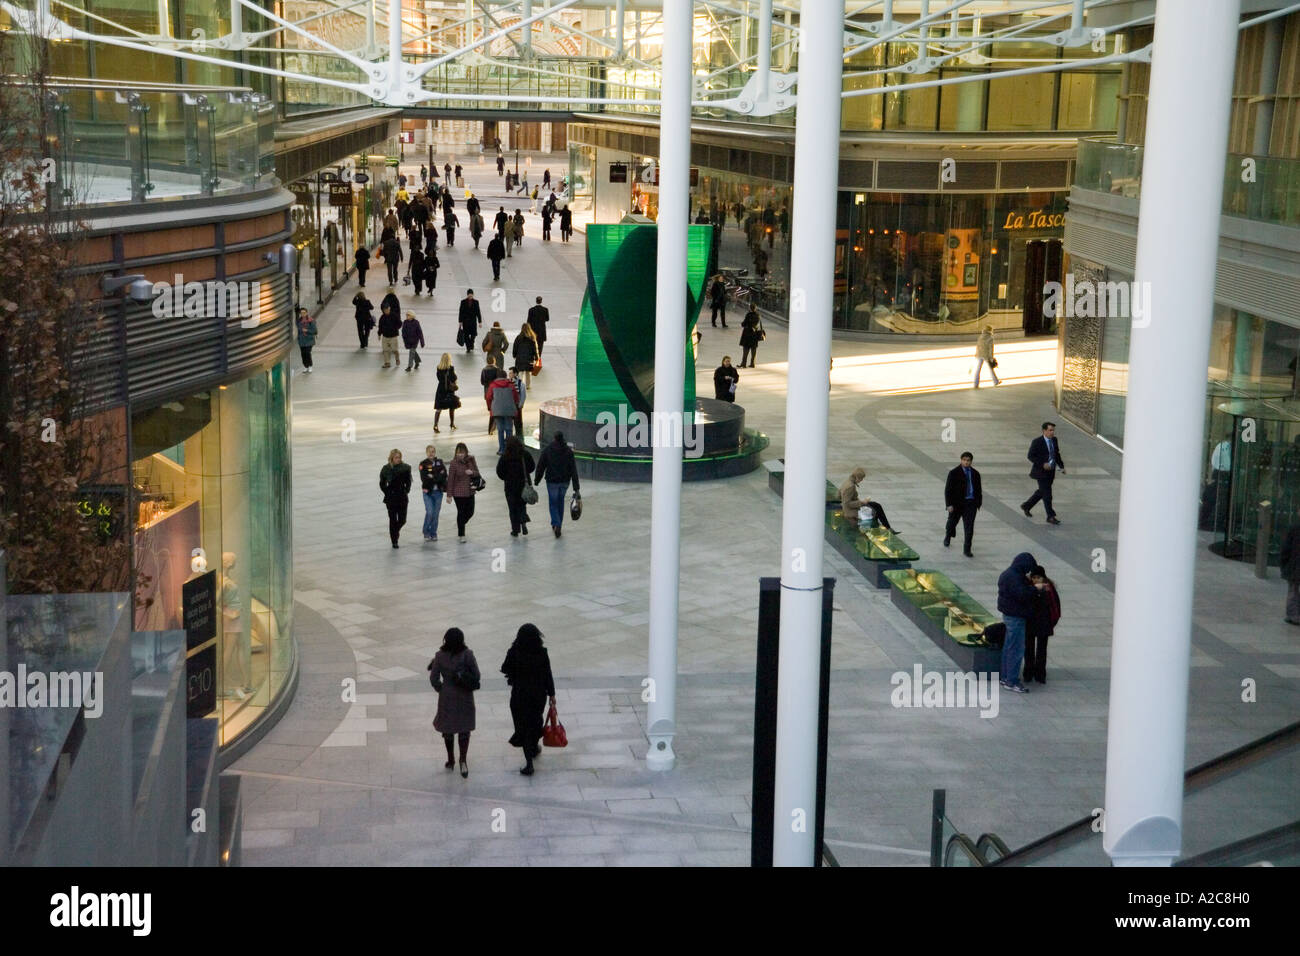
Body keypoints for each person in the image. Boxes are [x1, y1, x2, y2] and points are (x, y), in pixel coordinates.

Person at [501, 623, 556, 776]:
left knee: (523, 725)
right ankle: (534, 746)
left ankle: (529, 762)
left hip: (520, 694)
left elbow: (505, 668)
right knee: (535, 721)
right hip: (538, 695)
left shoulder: (514, 652)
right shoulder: (542, 652)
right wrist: (552, 694)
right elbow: (547, 675)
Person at [429, 627, 479, 778]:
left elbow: (433, 678)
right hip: (465, 696)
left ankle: (450, 759)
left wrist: (441, 689)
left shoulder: (439, 656)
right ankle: (463, 759)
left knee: (448, 729)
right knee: (464, 729)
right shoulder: (468, 655)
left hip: (447, 697)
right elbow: (476, 675)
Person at [997, 552, 1044, 693]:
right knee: (1016, 650)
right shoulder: (1015, 578)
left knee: (1008, 647)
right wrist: (1035, 589)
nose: (1029, 571)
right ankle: (1012, 681)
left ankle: (1005, 677)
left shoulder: (1008, 574)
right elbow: (1022, 594)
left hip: (1009, 615)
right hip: (1016, 616)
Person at [534, 431, 580, 538]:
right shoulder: (568, 451)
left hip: (552, 481)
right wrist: (576, 487)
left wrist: (537, 479)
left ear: (554, 438)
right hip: (564, 481)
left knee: (553, 503)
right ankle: (558, 523)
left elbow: (541, 465)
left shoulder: (548, 450)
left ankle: (556, 523)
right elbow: (573, 469)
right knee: (560, 502)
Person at [1022, 422, 1066, 525]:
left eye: (1053, 430)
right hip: (1041, 473)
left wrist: (1061, 467)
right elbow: (1030, 456)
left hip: (1051, 472)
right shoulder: (1037, 442)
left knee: (1042, 491)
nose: (1052, 432)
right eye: (1050, 430)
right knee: (1047, 494)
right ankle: (1050, 516)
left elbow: (1056, 454)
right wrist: (1043, 464)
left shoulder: (1054, 440)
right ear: (1044, 431)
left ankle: (1027, 505)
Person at [1023, 565, 1060, 684]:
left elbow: (1055, 608)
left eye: (1038, 577)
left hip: (1044, 623)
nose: (1036, 580)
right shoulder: (1028, 588)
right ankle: (1028, 673)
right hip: (1030, 623)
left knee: (1041, 650)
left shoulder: (1049, 590)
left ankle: (1040, 674)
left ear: (1043, 578)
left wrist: (1052, 622)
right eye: (1034, 577)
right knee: (1028, 649)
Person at [943, 452, 982, 557]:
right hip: (957, 503)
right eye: (964, 460)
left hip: (970, 504)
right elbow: (948, 490)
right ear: (961, 460)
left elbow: (978, 489)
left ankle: (967, 549)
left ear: (971, 461)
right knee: (952, 523)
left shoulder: (975, 474)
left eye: (968, 460)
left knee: (969, 527)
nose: (966, 462)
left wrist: (978, 503)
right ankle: (948, 536)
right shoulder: (954, 473)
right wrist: (949, 504)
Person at [496, 435, 536, 536]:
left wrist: (506, 478)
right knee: (522, 505)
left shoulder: (505, 457)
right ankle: (523, 522)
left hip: (510, 487)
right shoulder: (525, 454)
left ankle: (515, 530)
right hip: (523, 485)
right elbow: (532, 467)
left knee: (512, 508)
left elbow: (499, 472)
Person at [839, 466, 897, 533]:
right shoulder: (850, 487)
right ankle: (881, 530)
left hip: (852, 507)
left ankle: (887, 528)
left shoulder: (847, 482)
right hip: (851, 511)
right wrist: (862, 502)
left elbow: (838, 495)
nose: (861, 480)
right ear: (857, 477)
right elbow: (848, 504)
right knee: (875, 510)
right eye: (861, 479)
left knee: (876, 505)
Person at [445, 442, 481, 543]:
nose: (460, 455)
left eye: (462, 452)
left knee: (470, 512)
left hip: (470, 491)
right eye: (458, 453)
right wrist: (449, 495)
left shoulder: (471, 460)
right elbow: (450, 479)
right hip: (458, 492)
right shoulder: (453, 463)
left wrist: (472, 472)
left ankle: (460, 524)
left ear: (466, 452)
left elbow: (478, 473)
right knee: (461, 512)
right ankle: (461, 534)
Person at [379, 448, 412, 548]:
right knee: (392, 520)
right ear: (392, 458)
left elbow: (409, 481)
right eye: (396, 457)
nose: (398, 459)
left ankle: (394, 532)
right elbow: (382, 483)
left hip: (402, 496)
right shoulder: (386, 469)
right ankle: (394, 540)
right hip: (391, 498)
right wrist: (387, 491)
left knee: (402, 520)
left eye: (399, 457)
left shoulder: (405, 468)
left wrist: (406, 490)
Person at [487, 364, 520, 455]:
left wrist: (490, 407)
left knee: (500, 430)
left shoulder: (493, 385)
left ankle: (502, 449)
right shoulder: (511, 385)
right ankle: (510, 449)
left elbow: (488, 397)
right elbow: (516, 398)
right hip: (509, 410)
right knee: (509, 429)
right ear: (505, 376)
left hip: (497, 411)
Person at [417, 444, 447, 541]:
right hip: (428, 493)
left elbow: (444, 475)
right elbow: (424, 479)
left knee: (436, 514)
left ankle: (433, 532)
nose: (431, 453)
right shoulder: (423, 464)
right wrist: (438, 476)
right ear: (426, 452)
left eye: (433, 451)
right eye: (429, 451)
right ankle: (426, 531)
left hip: (438, 492)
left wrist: (432, 477)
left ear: (435, 452)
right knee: (430, 512)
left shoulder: (440, 462)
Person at [433, 353, 460, 433]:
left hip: (441, 389)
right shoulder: (451, 368)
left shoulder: (438, 368)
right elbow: (454, 378)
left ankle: (435, 425)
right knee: (452, 407)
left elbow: (439, 378)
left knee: (439, 409)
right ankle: (452, 424)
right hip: (449, 390)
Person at [1281, 522, 1300, 624]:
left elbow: (1286, 548)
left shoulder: (1294, 528)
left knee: (1293, 590)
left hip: (1295, 565)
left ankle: (1293, 615)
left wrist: (1284, 563)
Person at [377, 304, 402, 369]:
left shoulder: (394, 316)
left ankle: (397, 358)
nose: (386, 311)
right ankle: (387, 363)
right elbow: (380, 326)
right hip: (385, 336)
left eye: (387, 309)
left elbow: (400, 323)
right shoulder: (382, 317)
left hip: (393, 336)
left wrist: (395, 328)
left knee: (394, 349)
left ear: (389, 309)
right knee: (385, 350)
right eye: (384, 310)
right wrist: (379, 334)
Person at [458, 289, 481, 355]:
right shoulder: (463, 302)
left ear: (473, 295)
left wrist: (480, 322)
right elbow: (461, 312)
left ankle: (472, 342)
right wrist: (460, 321)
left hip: (473, 321)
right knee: (466, 335)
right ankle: (468, 347)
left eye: (471, 295)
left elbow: (478, 312)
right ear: (467, 295)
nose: (470, 296)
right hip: (466, 321)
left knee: (474, 334)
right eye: (469, 295)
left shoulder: (476, 302)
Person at [296, 308, 317, 373]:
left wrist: (307, 330)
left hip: (309, 340)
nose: (303, 314)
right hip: (302, 340)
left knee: (307, 353)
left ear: (307, 313)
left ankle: (310, 366)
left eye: (304, 312)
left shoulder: (311, 321)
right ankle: (305, 366)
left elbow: (315, 331)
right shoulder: (298, 321)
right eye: (301, 313)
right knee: (303, 354)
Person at [509, 364, 527, 436]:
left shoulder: (520, 384)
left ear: (515, 374)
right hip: (510, 406)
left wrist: (520, 405)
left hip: (517, 406)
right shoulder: (508, 382)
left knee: (518, 423)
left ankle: (519, 436)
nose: (509, 374)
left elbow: (523, 395)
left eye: (510, 373)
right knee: (510, 423)